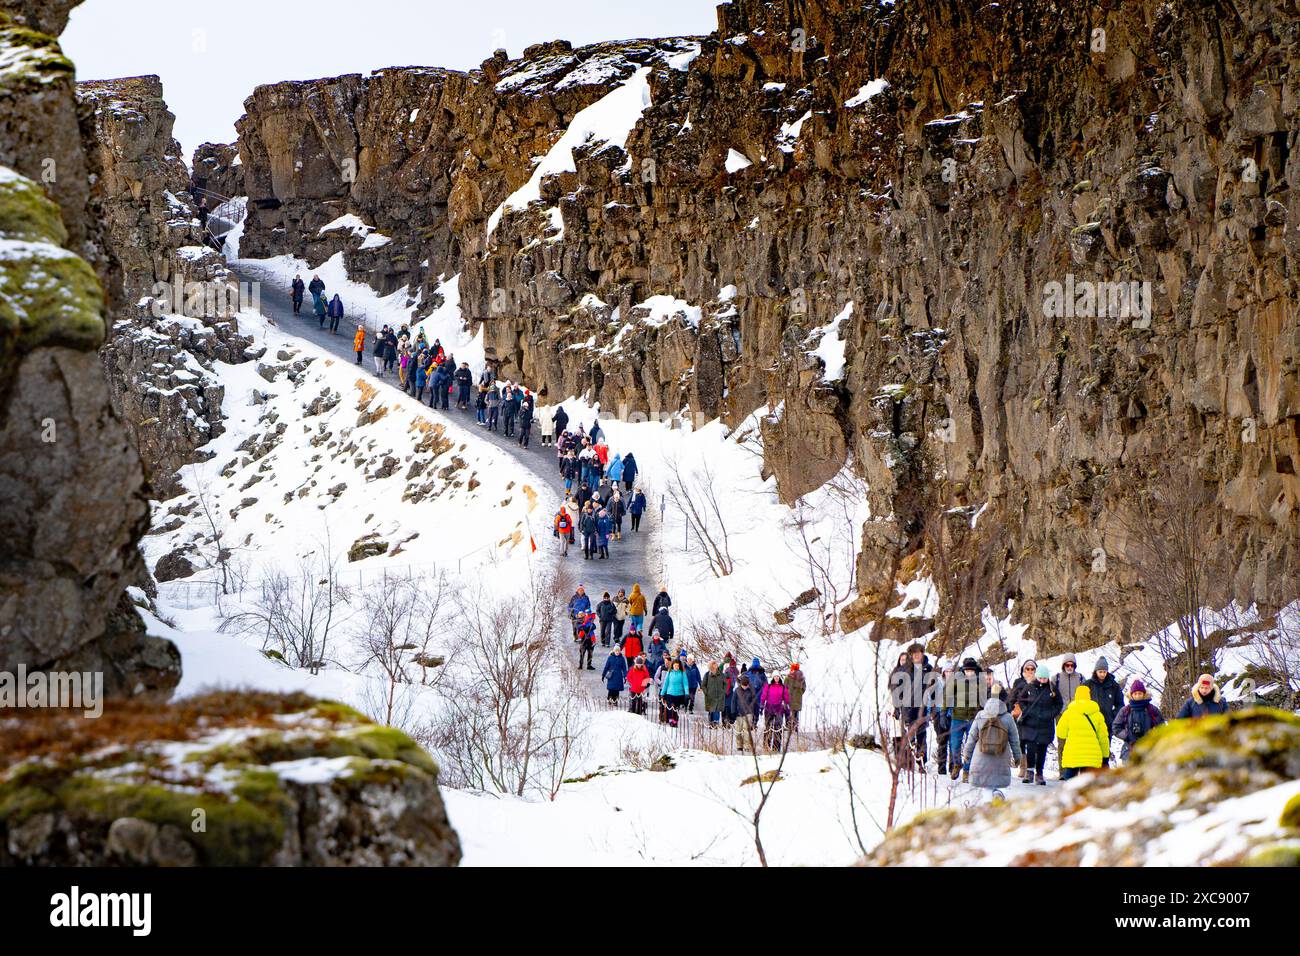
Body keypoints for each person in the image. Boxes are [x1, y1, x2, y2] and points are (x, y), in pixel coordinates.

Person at [1008, 660, 1060, 784]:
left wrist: (1050, 714)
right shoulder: (1030, 687)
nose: (1042, 680)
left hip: (1045, 724)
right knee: (1030, 748)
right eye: (1041, 677)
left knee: (1042, 749)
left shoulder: (1052, 688)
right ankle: (1029, 771)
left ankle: (1040, 773)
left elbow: (1059, 704)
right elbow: (1021, 700)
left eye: (1044, 678)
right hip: (1030, 724)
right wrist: (1026, 712)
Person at [962, 696, 1022, 795]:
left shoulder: (980, 715)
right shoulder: (1008, 718)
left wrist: (967, 753)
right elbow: (1014, 740)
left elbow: (972, 737)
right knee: (1000, 784)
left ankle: (988, 804)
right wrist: (1017, 756)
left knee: (986, 787)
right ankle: (998, 794)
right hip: (1001, 756)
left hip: (981, 757)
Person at [892, 642, 933, 772]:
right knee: (908, 735)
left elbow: (934, 690)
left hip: (922, 707)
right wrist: (897, 707)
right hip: (907, 707)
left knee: (922, 735)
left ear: (922, 653)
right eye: (914, 653)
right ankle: (907, 763)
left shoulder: (928, 668)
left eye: (919, 652)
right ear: (910, 655)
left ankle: (922, 763)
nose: (916, 655)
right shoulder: (904, 669)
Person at [1055, 685, 1109, 780]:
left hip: (1073, 754)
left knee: (1069, 786)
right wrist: (1105, 757)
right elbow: (1104, 738)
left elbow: (1060, 733)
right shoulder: (1098, 714)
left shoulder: (1068, 713)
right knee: (1086, 787)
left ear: (1076, 696)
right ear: (1089, 696)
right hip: (1092, 757)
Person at [946, 658, 983, 782]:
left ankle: (967, 770)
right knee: (955, 744)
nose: (970, 673)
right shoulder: (956, 681)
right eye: (967, 670)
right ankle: (957, 764)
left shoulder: (979, 682)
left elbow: (983, 701)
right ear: (963, 670)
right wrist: (942, 713)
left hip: (972, 719)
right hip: (957, 718)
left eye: (972, 671)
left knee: (970, 746)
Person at [1113, 679, 1164, 762]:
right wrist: (1127, 735)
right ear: (1131, 695)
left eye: (1139, 693)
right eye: (1135, 694)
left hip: (1149, 750)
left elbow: (1161, 727)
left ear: (1144, 694)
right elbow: (1116, 727)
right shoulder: (1125, 710)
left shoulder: (1152, 710)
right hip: (1129, 750)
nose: (1137, 696)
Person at [1084, 656, 1125, 759]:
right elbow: (1082, 702)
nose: (1102, 674)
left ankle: (1104, 770)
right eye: (1100, 671)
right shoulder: (1088, 684)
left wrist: (1113, 715)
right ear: (1096, 671)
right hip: (1091, 724)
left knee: (1105, 751)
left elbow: (1120, 704)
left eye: (1104, 672)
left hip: (1107, 723)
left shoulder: (1114, 686)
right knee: (1092, 752)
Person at [760, 676, 790, 751]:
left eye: (778, 676)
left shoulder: (783, 687)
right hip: (769, 708)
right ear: (773, 678)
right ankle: (766, 746)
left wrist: (787, 706)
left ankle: (776, 747)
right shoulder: (768, 686)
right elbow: (764, 695)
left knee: (778, 728)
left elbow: (786, 698)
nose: (776, 678)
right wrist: (762, 704)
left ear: (779, 678)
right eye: (775, 676)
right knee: (768, 728)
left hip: (779, 709)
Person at [660, 660, 690, 726]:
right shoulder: (669, 672)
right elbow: (666, 683)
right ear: (672, 666)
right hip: (670, 693)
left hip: (679, 694)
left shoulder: (682, 673)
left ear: (679, 666)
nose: (676, 667)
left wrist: (687, 693)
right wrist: (662, 693)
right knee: (671, 707)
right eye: (675, 665)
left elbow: (685, 684)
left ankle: (675, 721)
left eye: (677, 665)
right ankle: (671, 720)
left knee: (676, 708)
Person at [735, 674, 757, 751]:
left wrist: (756, 714)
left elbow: (755, 702)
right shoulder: (737, 690)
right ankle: (739, 745)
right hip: (739, 713)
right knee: (738, 731)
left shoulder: (751, 690)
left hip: (748, 713)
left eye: (746, 685)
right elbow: (733, 702)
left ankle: (746, 746)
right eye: (743, 685)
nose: (744, 687)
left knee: (746, 730)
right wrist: (732, 713)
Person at [786, 663, 807, 732]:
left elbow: (785, 687)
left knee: (790, 711)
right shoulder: (802, 677)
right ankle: (795, 726)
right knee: (796, 712)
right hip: (798, 697)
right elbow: (804, 688)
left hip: (790, 696)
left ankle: (789, 726)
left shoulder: (788, 677)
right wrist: (800, 693)